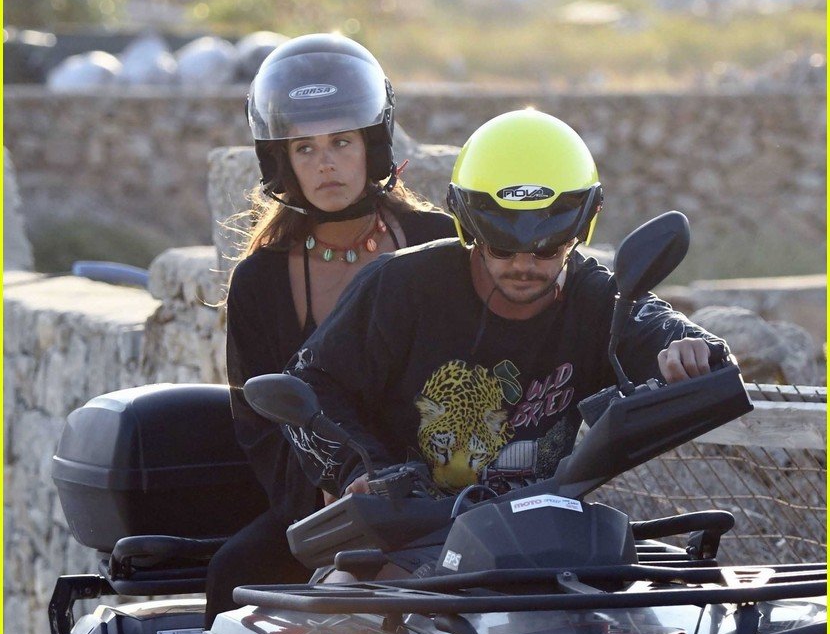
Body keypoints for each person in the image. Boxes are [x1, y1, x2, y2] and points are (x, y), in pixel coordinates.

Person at [285, 109, 731, 518]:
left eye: (547, 250)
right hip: (404, 534)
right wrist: (360, 471)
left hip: (537, 539)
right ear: (469, 229)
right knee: (353, 596)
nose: (524, 265)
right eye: (502, 247)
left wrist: (693, 351)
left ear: (580, 232)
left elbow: (657, 328)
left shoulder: (596, 300)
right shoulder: (401, 287)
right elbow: (310, 383)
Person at [204, 33, 455, 623]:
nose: (327, 163)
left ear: (372, 145)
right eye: (305, 148)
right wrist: (326, 498)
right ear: (281, 161)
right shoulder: (260, 281)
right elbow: (260, 424)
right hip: (328, 503)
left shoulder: (438, 242)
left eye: (342, 141)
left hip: (455, 492)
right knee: (233, 574)